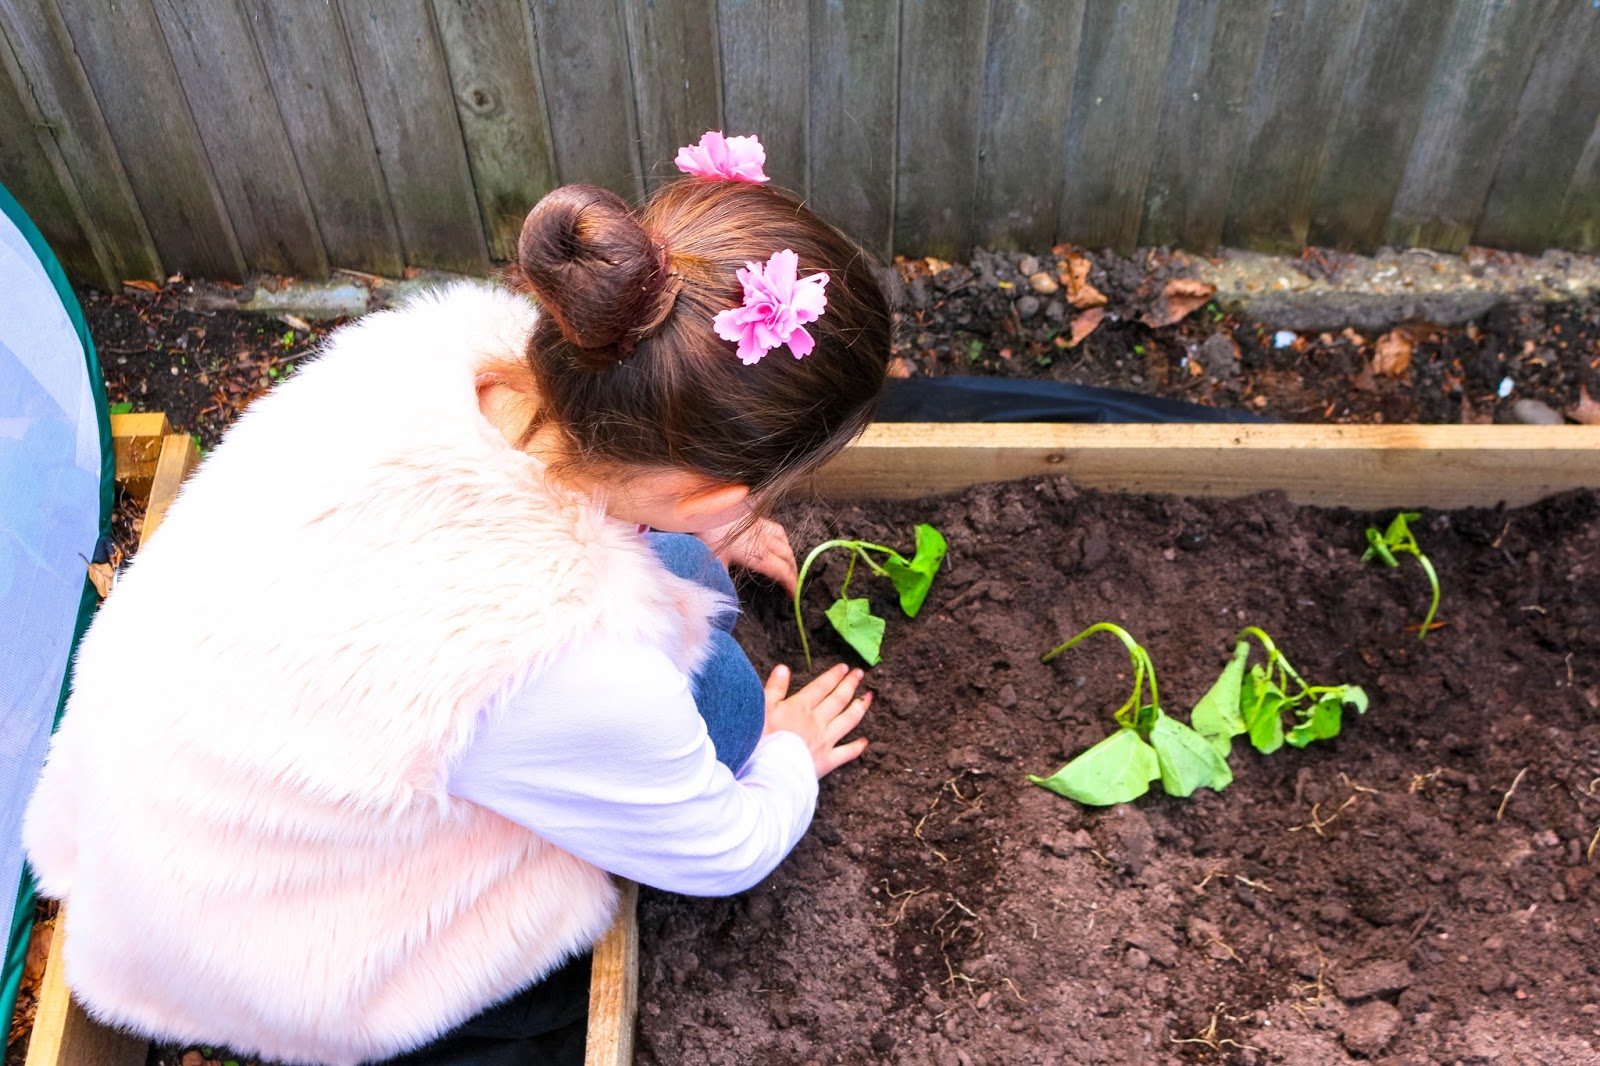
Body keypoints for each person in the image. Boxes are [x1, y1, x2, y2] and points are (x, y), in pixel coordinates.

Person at [22, 132, 893, 1066]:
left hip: (155, 787)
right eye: (764, 490)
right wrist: (786, 758)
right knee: (722, 705)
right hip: (254, 935)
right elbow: (718, 849)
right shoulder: (568, 658)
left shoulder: (426, 361)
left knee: (685, 589)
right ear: (710, 493)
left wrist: (689, 525)